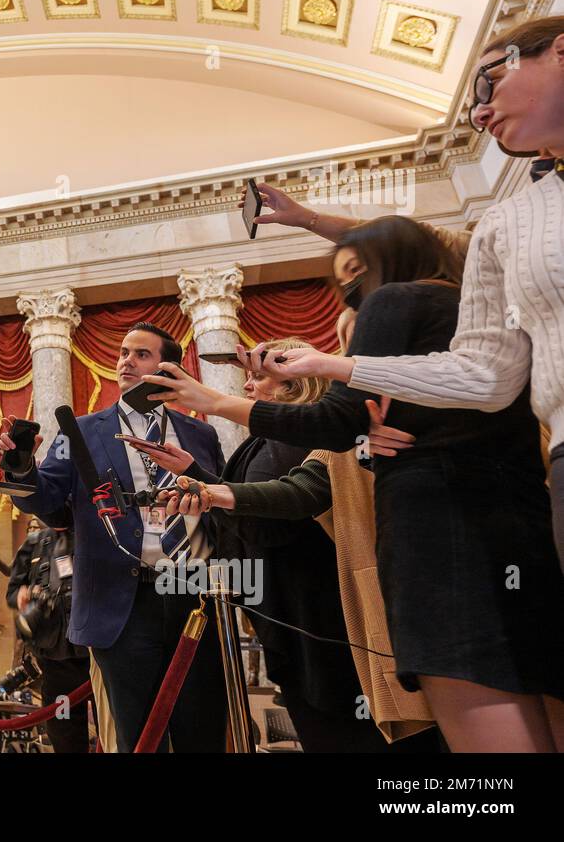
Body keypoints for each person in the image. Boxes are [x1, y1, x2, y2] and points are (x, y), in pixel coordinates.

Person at [143, 216, 564, 751]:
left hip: (433, 543)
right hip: (512, 531)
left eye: (355, 279)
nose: (351, 301)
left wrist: (216, 401)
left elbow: (308, 477)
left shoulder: (395, 305)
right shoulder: (473, 328)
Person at [247, 17, 564, 571]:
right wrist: (338, 365)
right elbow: (484, 373)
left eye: (490, 81)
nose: (481, 113)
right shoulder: (511, 222)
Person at [131, 338, 407, 752]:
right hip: (295, 613)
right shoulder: (279, 441)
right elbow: (252, 499)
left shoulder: (295, 438)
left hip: (315, 617)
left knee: (341, 732)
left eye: (258, 378)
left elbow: (272, 517)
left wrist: (209, 487)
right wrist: (196, 473)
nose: (248, 388)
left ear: (294, 383)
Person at [0, 322, 228, 752]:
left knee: (203, 729)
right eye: (123, 352)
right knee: (139, 737)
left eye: (141, 354)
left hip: (194, 598)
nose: (126, 360)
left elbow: (221, 505)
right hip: (121, 604)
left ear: (167, 368)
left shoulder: (201, 433)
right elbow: (47, 502)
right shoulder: (81, 431)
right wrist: (21, 468)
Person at [5, 516, 91, 753]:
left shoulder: (93, 534)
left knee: (110, 726)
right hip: (56, 658)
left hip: (95, 654)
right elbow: (12, 592)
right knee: (63, 730)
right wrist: (22, 594)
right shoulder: (33, 544)